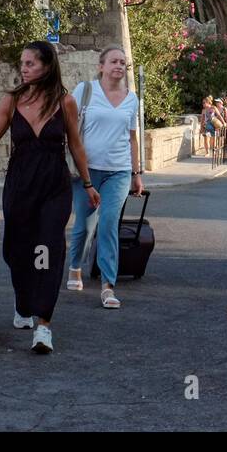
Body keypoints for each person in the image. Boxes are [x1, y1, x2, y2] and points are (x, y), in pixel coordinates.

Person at [0, 41, 98, 353]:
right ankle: (23, 302)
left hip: (54, 186)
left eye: (30, 64)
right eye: (22, 63)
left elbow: (76, 146)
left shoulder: (65, 102)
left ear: (47, 66)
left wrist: (88, 184)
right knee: (16, 250)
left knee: (49, 248)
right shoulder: (11, 101)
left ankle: (44, 326)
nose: (23, 69)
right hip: (20, 185)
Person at [64, 46, 144, 310]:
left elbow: (132, 139)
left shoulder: (131, 99)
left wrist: (136, 174)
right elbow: (69, 128)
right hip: (86, 170)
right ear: (101, 66)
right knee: (84, 226)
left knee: (109, 222)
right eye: (113, 61)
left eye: (122, 62)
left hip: (119, 171)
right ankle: (75, 266)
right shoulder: (85, 90)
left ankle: (108, 285)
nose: (119, 66)